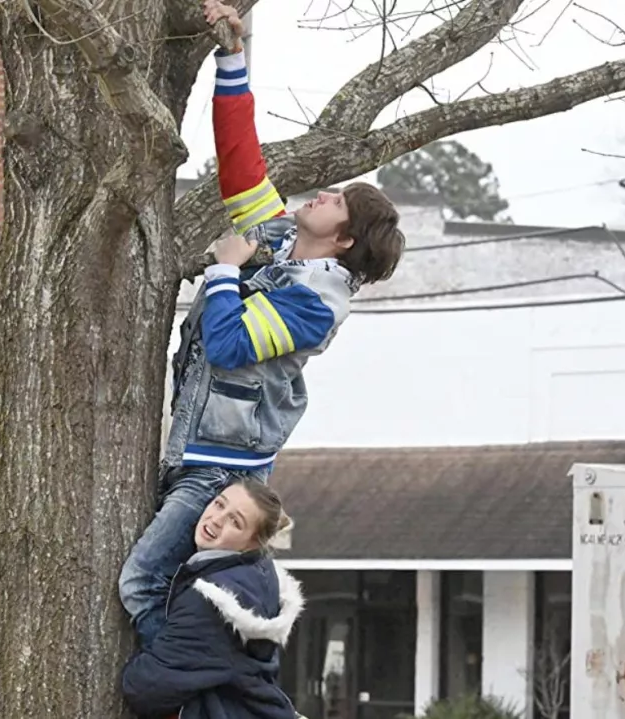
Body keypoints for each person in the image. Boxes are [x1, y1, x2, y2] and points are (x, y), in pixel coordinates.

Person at [118, 0, 406, 648]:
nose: (324, 193)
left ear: (343, 239)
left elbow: (226, 344)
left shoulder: (316, 305)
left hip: (218, 472)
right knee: (169, 586)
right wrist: (231, 54)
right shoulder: (277, 240)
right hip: (193, 449)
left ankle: (183, 688)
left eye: (338, 200)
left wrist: (223, 270)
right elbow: (240, 157)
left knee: (140, 585)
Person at [121, 478, 304, 719]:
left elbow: (144, 688)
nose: (216, 520)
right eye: (219, 504)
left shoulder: (214, 600)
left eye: (235, 522)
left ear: (251, 544)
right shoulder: (257, 576)